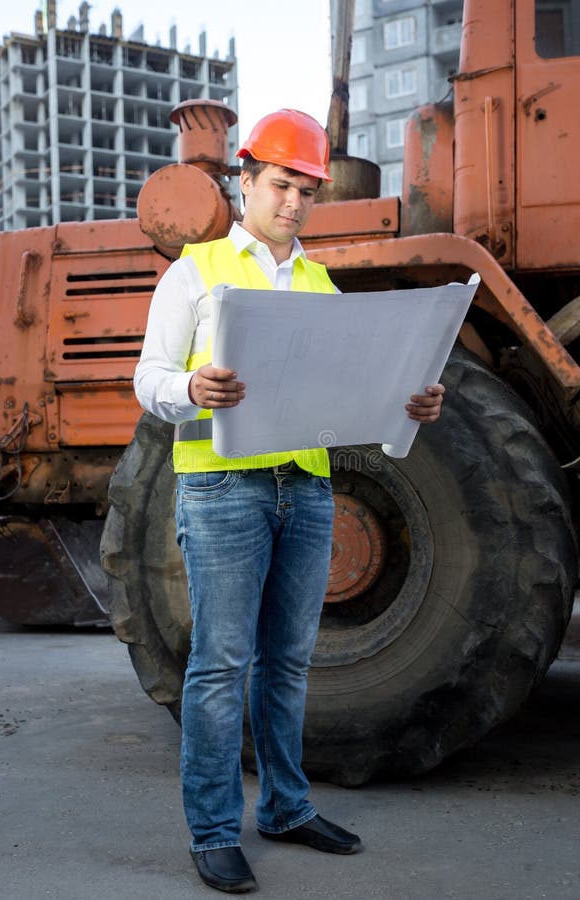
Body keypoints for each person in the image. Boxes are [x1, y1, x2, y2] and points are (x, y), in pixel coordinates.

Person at [134, 108, 444, 894]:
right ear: (245, 181)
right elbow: (149, 381)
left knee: (289, 664)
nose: (295, 203)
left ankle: (285, 807)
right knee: (219, 666)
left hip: (305, 491)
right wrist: (193, 390)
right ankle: (211, 832)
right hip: (222, 491)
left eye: (307, 190)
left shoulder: (317, 282)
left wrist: (406, 402)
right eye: (281, 185)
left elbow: (345, 389)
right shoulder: (195, 271)